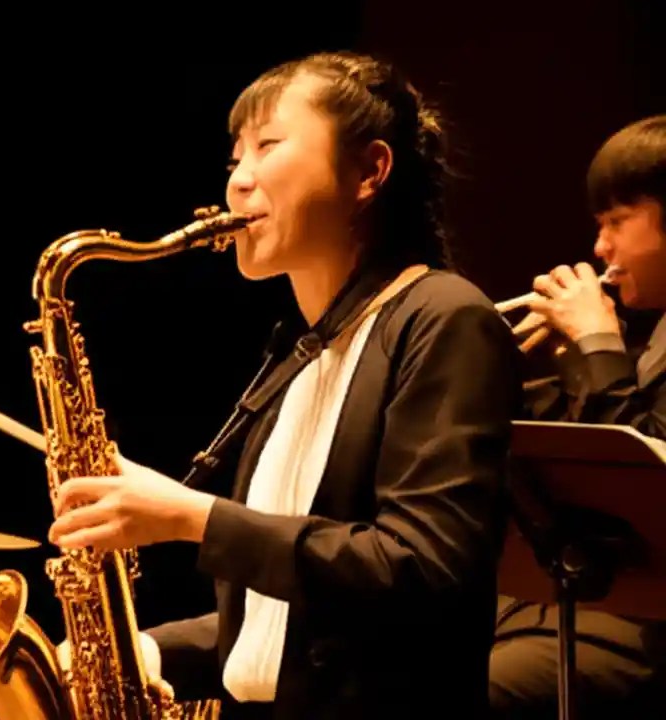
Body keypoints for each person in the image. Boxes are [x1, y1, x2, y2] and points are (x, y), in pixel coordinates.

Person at [47, 51, 522, 718]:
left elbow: (423, 570)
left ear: (370, 171)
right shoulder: (301, 353)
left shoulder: (445, 318)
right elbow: (286, 633)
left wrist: (191, 518)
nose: (238, 182)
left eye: (268, 146)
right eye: (234, 158)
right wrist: (146, 651)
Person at [490, 115, 666, 718]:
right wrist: (503, 366)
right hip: (568, 604)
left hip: (639, 629)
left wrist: (598, 347)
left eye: (617, 222)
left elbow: (646, 485)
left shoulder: (632, 348)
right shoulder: (653, 342)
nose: (599, 249)